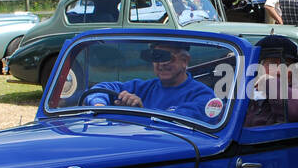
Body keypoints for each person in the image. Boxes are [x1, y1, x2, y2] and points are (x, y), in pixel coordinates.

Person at [82, 41, 217, 122]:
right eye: (156, 57)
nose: (162, 63)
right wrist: (99, 105)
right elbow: (99, 89)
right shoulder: (143, 87)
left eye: (168, 58)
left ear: (185, 61)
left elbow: (175, 124)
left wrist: (140, 111)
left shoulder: (203, 97)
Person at [245, 35, 298, 127]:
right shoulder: (244, 89)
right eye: (272, 63)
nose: (279, 70)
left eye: (286, 64)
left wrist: (268, 82)